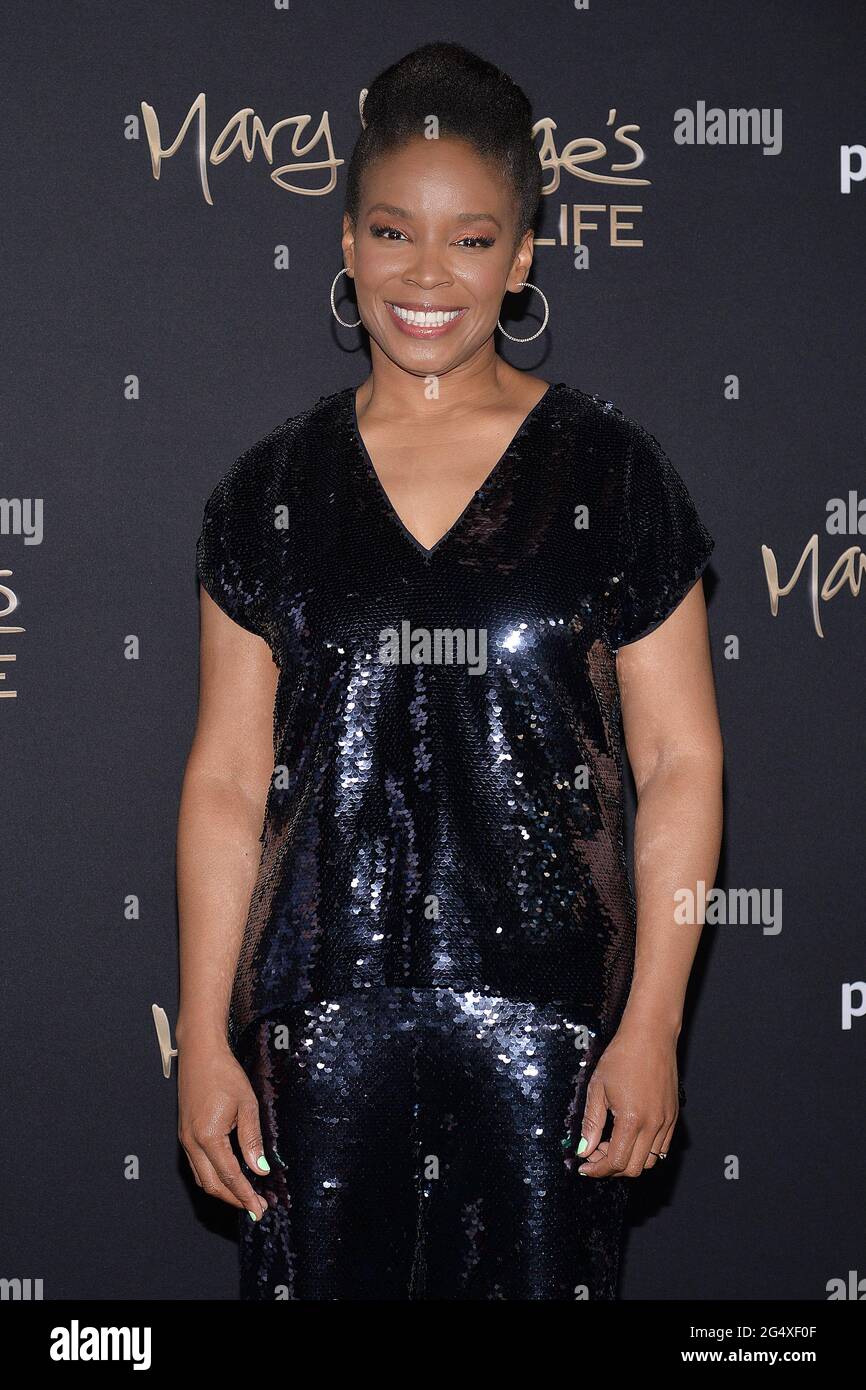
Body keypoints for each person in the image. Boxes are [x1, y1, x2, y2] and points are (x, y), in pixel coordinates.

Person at [176, 41, 723, 1301]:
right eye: (392, 233)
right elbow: (224, 782)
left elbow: (679, 762)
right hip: (313, 1048)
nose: (427, 276)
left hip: (549, 1046)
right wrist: (203, 1034)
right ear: (347, 244)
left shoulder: (613, 477)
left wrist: (652, 1023)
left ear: (521, 255)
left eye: (470, 240)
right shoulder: (266, 492)